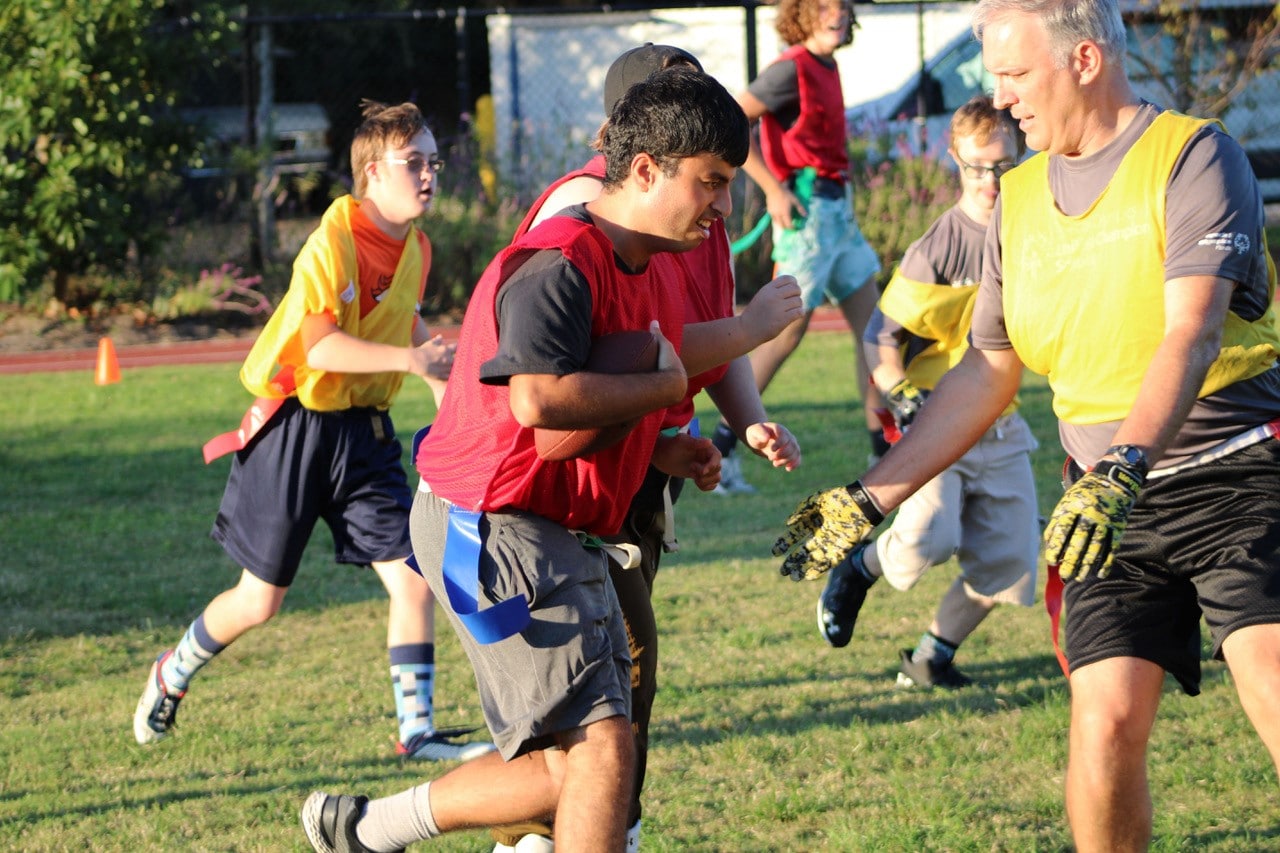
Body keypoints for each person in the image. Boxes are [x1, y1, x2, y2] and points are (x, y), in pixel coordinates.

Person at [772, 0, 1280, 848]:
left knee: (1269, 679)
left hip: (1236, 478)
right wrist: (869, 498)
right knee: (1103, 722)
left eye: (1013, 75)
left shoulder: (1195, 154)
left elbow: (1189, 334)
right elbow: (988, 368)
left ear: (1084, 59)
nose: (1000, 98)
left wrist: (1122, 465)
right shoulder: (1016, 197)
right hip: (1102, 510)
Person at [300, 67, 753, 853]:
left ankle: (369, 828)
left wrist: (666, 441)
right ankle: (374, 829)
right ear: (645, 170)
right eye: (710, 184)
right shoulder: (560, 259)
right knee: (602, 749)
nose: (722, 207)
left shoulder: (648, 260)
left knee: (572, 767)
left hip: (548, 521)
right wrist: (660, 386)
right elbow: (539, 407)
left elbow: (592, 416)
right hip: (492, 523)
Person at [490, 43, 803, 853]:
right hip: (568, 479)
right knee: (609, 678)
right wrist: (722, 357)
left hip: (640, 464)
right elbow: (560, 386)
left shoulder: (693, 210)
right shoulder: (584, 215)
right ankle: (541, 832)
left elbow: (699, 343)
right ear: (638, 147)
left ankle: (570, 829)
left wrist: (742, 416)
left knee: (623, 677)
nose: (718, 189)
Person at [132, 100, 493, 763]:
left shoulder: (416, 247)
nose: (429, 175)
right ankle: (170, 669)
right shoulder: (335, 239)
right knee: (260, 601)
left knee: (413, 578)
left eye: (434, 162)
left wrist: (448, 394)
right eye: (413, 162)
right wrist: (411, 361)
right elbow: (319, 347)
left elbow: (404, 324)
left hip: (363, 435)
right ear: (370, 173)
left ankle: (416, 732)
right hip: (295, 430)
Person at [816, 95, 1040, 689]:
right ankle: (859, 564)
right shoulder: (938, 246)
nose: (990, 181)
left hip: (1002, 421)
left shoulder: (1034, 228)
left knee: (1011, 563)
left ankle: (930, 657)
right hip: (939, 420)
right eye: (975, 167)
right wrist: (901, 397)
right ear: (955, 161)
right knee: (927, 540)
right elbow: (879, 337)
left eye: (1002, 166)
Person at [709, 0, 884, 495]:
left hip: (839, 214)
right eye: (824, 6)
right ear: (803, 15)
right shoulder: (791, 69)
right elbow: (732, 119)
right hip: (806, 216)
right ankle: (723, 452)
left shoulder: (828, 65)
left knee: (875, 327)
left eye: (844, 7)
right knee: (783, 333)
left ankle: (885, 449)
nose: (837, 15)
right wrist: (771, 187)